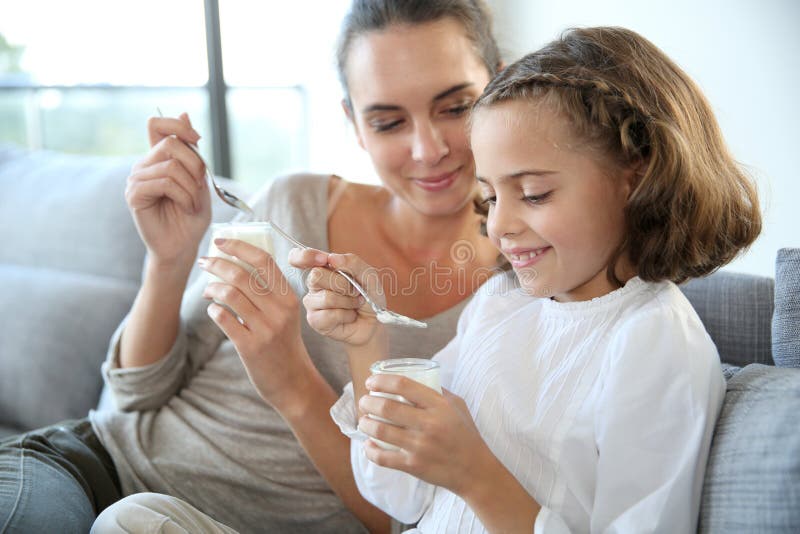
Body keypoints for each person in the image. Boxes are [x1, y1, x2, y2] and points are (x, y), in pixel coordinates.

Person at [0, 1, 503, 533]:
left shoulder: (521, 294)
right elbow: (137, 391)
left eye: (454, 108)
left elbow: (401, 517)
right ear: (355, 125)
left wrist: (288, 378)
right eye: (387, 121)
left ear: (498, 88)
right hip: (91, 471)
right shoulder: (294, 202)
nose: (427, 149)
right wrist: (168, 260)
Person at [303, 26, 761, 532]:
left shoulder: (653, 341)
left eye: (535, 193)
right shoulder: (502, 302)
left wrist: (476, 475)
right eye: (492, 196)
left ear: (637, 173)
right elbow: (398, 493)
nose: (498, 226)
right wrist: (368, 342)